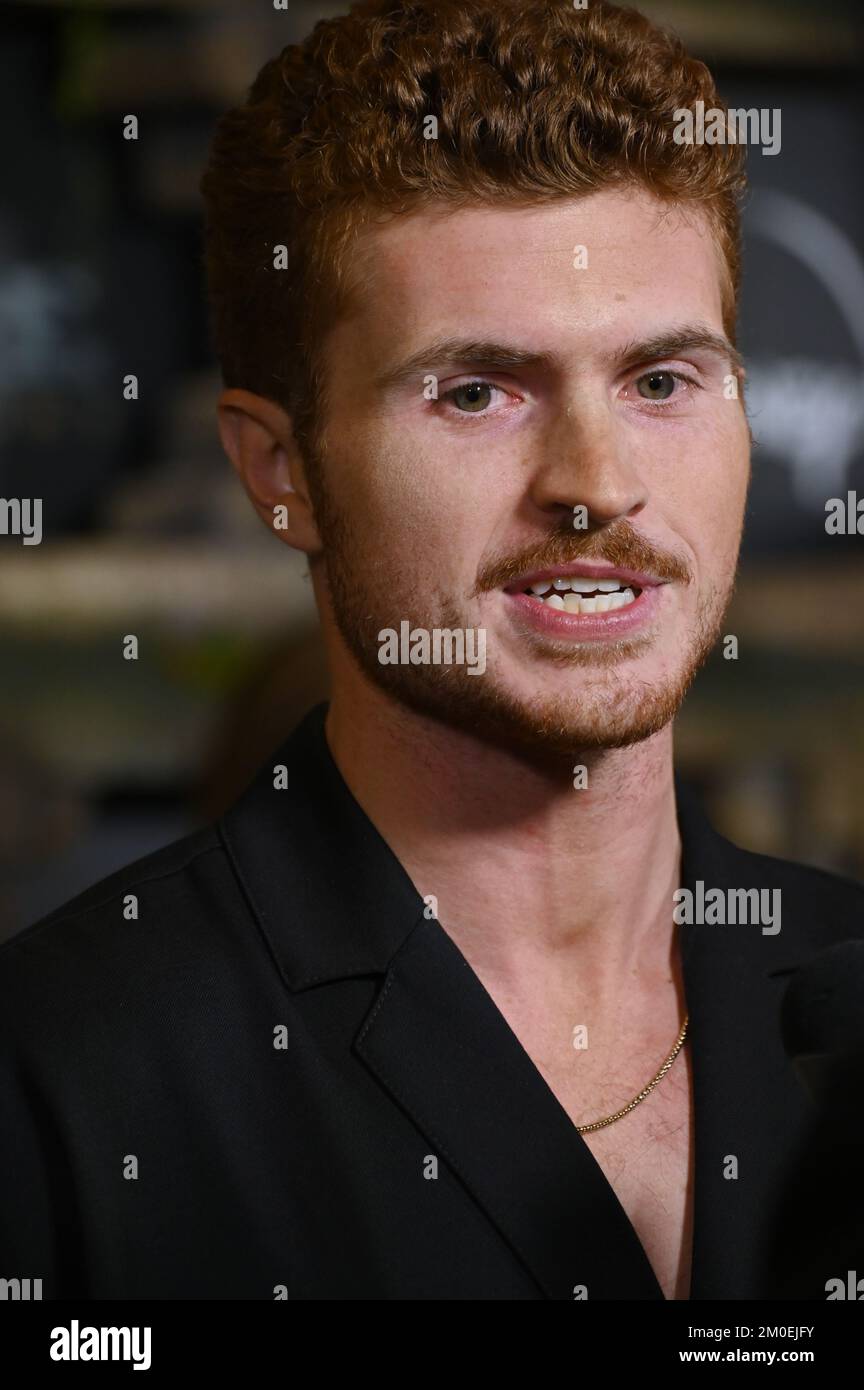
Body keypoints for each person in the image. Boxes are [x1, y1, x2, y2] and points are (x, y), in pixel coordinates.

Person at [2, 0, 862, 1302]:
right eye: (476, 392)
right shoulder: (58, 1075)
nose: (596, 483)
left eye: (663, 381)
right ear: (281, 470)